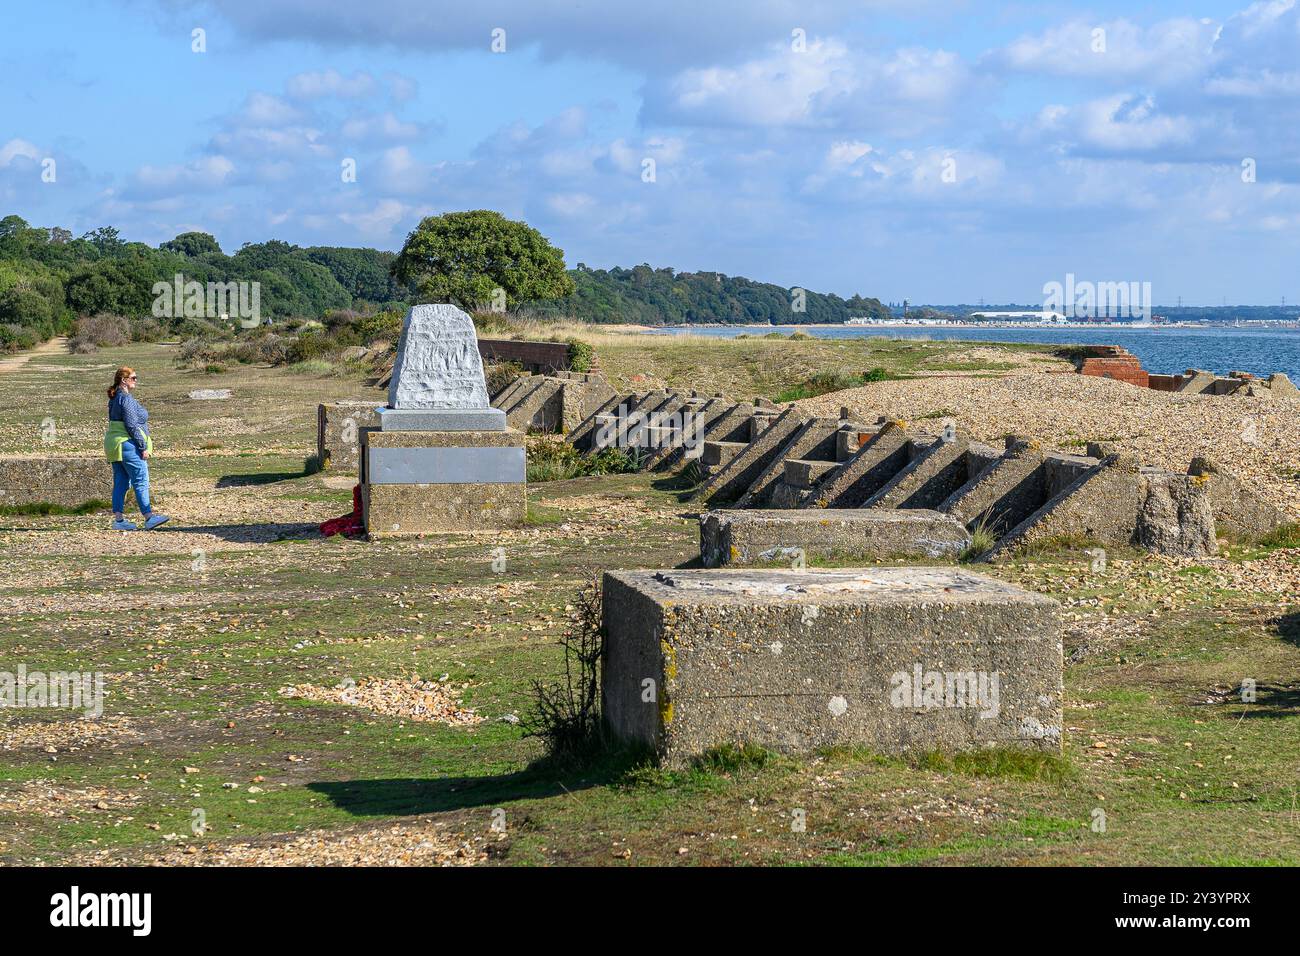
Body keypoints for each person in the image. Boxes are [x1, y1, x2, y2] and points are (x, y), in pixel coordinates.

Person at [104, 367, 170, 531]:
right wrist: (143, 447)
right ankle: (149, 518)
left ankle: (119, 521)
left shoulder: (114, 398)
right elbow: (132, 426)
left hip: (115, 445)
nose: (136, 380)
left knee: (120, 482)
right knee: (140, 481)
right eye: (133, 377)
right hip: (128, 444)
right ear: (123, 380)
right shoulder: (125, 399)